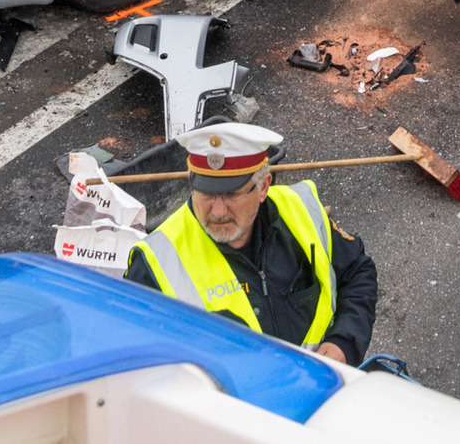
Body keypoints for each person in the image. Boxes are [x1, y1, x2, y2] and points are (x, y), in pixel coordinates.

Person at [126, 121, 379, 363]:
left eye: (232, 194)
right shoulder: (155, 263)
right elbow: (137, 359)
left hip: (323, 388)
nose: (218, 211)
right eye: (206, 194)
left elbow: (357, 272)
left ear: (263, 187)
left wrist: (343, 343)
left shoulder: (303, 210)